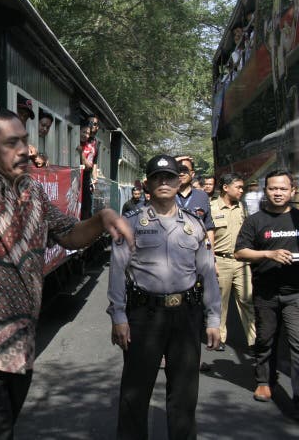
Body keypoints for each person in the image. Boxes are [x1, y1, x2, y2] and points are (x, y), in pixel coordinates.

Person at [0, 17, 134, 439]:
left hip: (19, 352)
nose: (25, 150)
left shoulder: (34, 194)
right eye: (12, 143)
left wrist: (102, 219)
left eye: (25, 139)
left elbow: (71, 237)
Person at [108, 154, 221, 440]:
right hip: (144, 316)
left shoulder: (194, 225)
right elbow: (118, 271)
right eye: (157, 178)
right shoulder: (129, 223)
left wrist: (214, 317)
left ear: (179, 180)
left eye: (169, 177)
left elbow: (208, 273)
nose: (163, 182)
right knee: (135, 393)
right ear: (147, 184)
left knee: (184, 395)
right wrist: (118, 316)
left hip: (186, 316)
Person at [234, 169, 299, 412]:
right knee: (265, 338)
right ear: (266, 191)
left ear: (292, 191)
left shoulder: (298, 218)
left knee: (297, 343)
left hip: (295, 293)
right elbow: (240, 252)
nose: (278, 193)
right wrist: (268, 254)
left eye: (283, 188)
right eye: (273, 188)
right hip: (266, 293)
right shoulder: (255, 221)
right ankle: (264, 380)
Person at [210, 173, 256, 352]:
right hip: (220, 261)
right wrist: (210, 260)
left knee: (248, 300)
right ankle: (219, 337)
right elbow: (208, 237)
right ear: (225, 188)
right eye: (238, 187)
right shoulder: (211, 207)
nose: (241, 191)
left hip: (241, 262)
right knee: (220, 303)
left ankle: (254, 341)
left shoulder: (242, 207)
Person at [176, 161, 215, 248]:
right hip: (172, 254)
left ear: (192, 173)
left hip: (197, 253)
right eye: (178, 170)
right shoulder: (166, 196)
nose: (181, 173)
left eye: (185, 170)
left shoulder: (202, 196)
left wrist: (210, 256)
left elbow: (208, 229)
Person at [77, 122, 97, 219]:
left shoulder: (90, 148)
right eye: (84, 132)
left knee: (85, 208)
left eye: (88, 133)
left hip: (84, 180)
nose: (86, 135)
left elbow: (89, 166)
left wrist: (81, 155)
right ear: (78, 131)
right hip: (71, 180)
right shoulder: (71, 140)